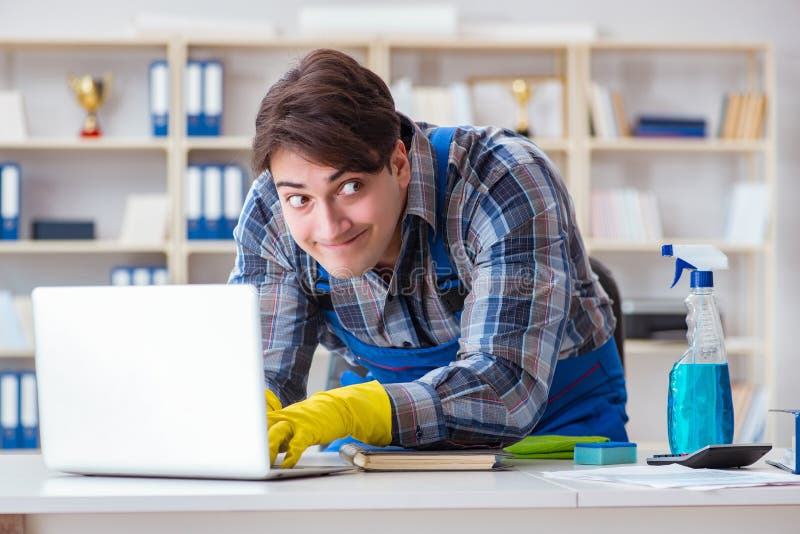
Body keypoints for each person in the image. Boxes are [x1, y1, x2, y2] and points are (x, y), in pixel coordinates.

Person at [229, 48, 628, 468]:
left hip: (551, 434)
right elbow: (263, 373)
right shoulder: (271, 210)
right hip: (387, 438)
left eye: (350, 188)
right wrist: (247, 413)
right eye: (300, 199)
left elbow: (507, 387)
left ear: (398, 164)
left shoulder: (501, 179)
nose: (329, 227)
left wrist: (351, 410)